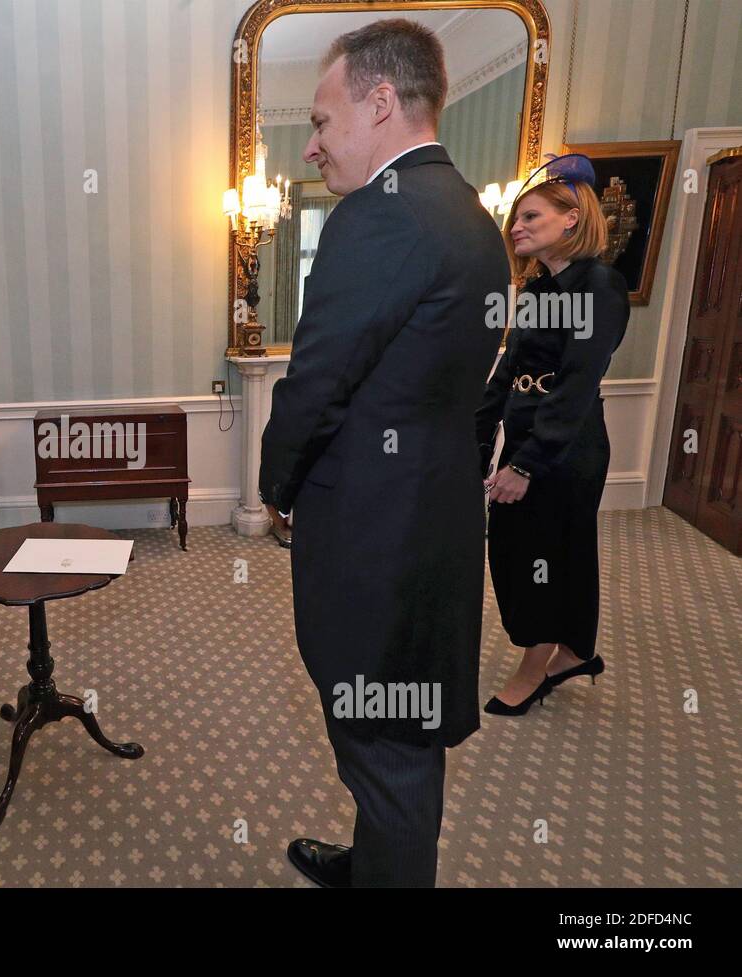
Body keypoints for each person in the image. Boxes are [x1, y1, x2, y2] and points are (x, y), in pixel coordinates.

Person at [258, 18, 508, 887]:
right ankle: (370, 862)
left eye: (323, 123)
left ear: (381, 101)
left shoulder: (379, 219)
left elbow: (317, 380)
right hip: (432, 519)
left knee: (385, 752)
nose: (313, 147)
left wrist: (275, 483)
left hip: (376, 542)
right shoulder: (476, 216)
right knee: (400, 737)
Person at [475, 154, 629, 716]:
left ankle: (534, 670)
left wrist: (526, 465)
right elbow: (505, 374)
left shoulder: (600, 285)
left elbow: (577, 384)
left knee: (542, 554)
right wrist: (477, 445)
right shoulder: (539, 290)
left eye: (530, 216)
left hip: (565, 449)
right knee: (517, 550)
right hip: (526, 437)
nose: (516, 226)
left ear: (570, 219)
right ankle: (571, 652)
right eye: (515, 218)